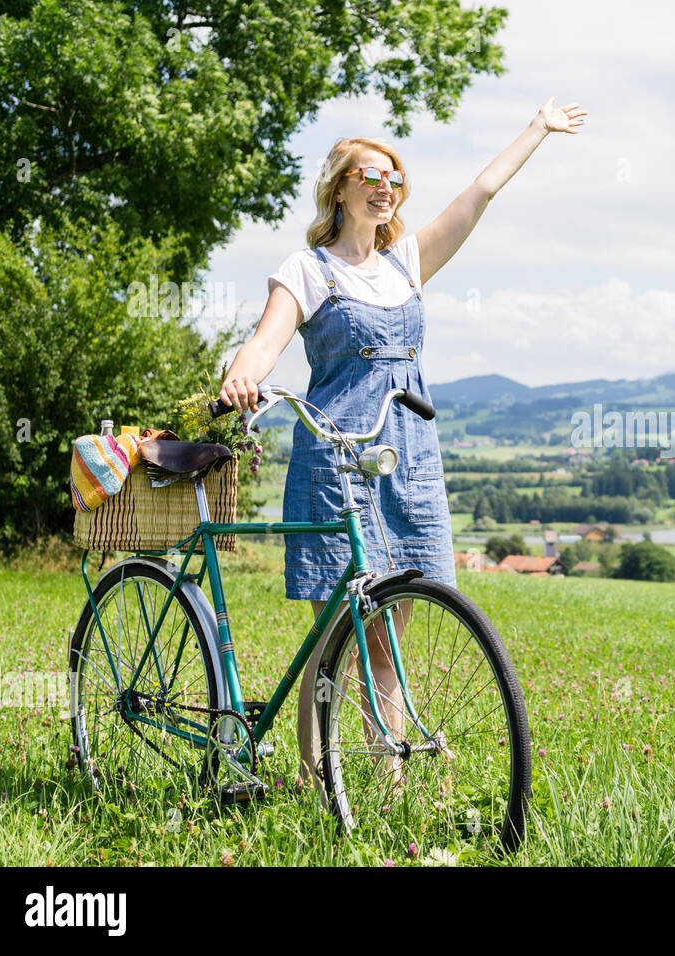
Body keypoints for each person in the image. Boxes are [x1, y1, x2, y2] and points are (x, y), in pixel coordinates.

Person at [217, 96, 588, 787]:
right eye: (370, 175)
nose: (385, 185)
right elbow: (265, 343)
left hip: (409, 460)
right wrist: (241, 377)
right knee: (341, 637)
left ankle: (385, 785)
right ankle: (313, 777)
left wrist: (535, 127)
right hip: (338, 460)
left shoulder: (405, 263)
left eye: (394, 176)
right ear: (340, 187)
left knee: (394, 631)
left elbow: (479, 193)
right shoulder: (308, 269)